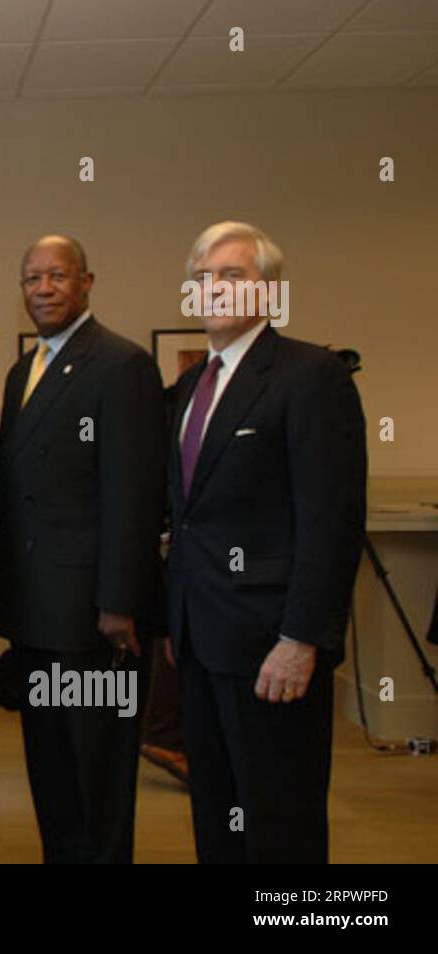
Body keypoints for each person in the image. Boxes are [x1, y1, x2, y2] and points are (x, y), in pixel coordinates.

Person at [168, 221, 366, 863]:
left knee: (280, 824)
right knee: (217, 817)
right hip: (199, 643)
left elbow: (331, 521)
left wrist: (301, 639)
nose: (215, 289)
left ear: (270, 292)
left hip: (270, 647)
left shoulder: (311, 375)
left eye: (233, 275)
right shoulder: (190, 389)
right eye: (204, 278)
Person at [0, 235, 165, 864]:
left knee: (98, 773)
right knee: (51, 767)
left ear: (87, 282)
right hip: (38, 615)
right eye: (31, 278)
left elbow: (134, 493)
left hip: (96, 621)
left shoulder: (121, 365)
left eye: (56, 276)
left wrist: (119, 602)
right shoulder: (22, 373)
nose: (42, 289)